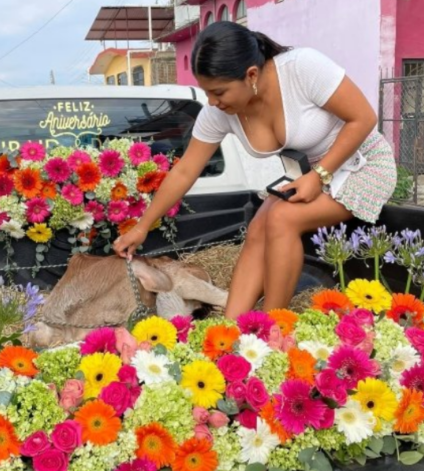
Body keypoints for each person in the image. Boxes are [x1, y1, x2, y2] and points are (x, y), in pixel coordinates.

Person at [113, 22, 397, 317]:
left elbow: (363, 118)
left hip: (363, 164)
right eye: (206, 92)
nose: (212, 102)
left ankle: (273, 327)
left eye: (219, 92)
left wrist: (319, 175)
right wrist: (142, 226)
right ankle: (232, 327)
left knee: (282, 218)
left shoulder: (302, 67)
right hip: (316, 175)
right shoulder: (219, 112)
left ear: (251, 75)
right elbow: (185, 171)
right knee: (259, 224)